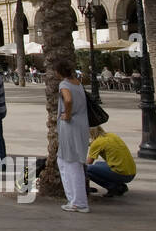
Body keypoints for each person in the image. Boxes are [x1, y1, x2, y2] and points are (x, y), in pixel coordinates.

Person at [54, 56, 90, 212]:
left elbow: (68, 100)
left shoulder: (64, 84)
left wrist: (67, 114)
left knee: (70, 162)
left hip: (71, 125)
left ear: (58, 72)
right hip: (82, 124)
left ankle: (78, 202)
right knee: (68, 161)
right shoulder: (78, 83)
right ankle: (75, 200)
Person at [86, 125, 136, 197]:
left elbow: (88, 163)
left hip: (122, 174)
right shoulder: (111, 135)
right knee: (98, 164)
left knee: (88, 169)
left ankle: (113, 187)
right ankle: (120, 185)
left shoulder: (97, 143)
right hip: (131, 172)